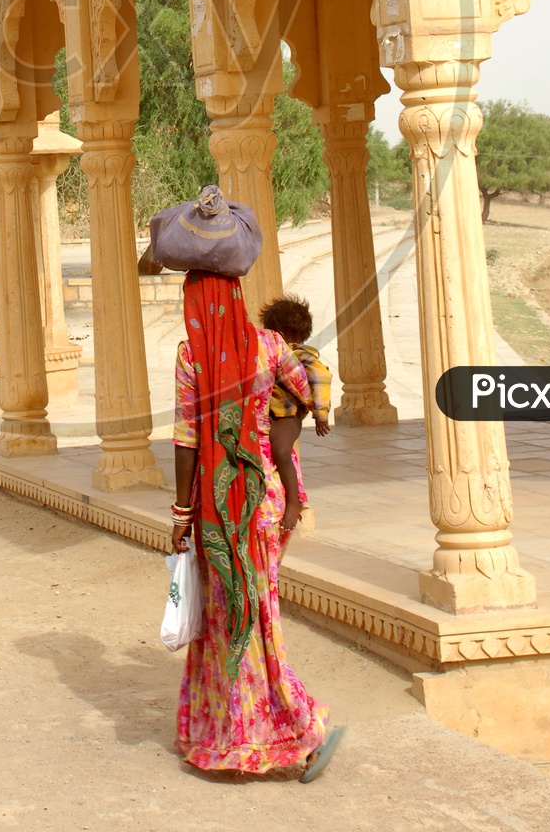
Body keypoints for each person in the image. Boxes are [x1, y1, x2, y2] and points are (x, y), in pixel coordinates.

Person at [171, 268, 344, 782]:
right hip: (264, 499)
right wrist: (273, 438)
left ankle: (298, 728)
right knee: (247, 610)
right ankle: (228, 733)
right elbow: (305, 390)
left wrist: (182, 512)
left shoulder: (190, 354)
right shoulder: (269, 346)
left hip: (216, 503)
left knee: (236, 614)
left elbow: (186, 438)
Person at [262, 294, 332, 535]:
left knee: (280, 449)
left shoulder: (301, 355)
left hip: (289, 415)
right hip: (271, 413)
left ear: (284, 331)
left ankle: (294, 502)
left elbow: (321, 379)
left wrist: (320, 413)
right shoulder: (272, 354)